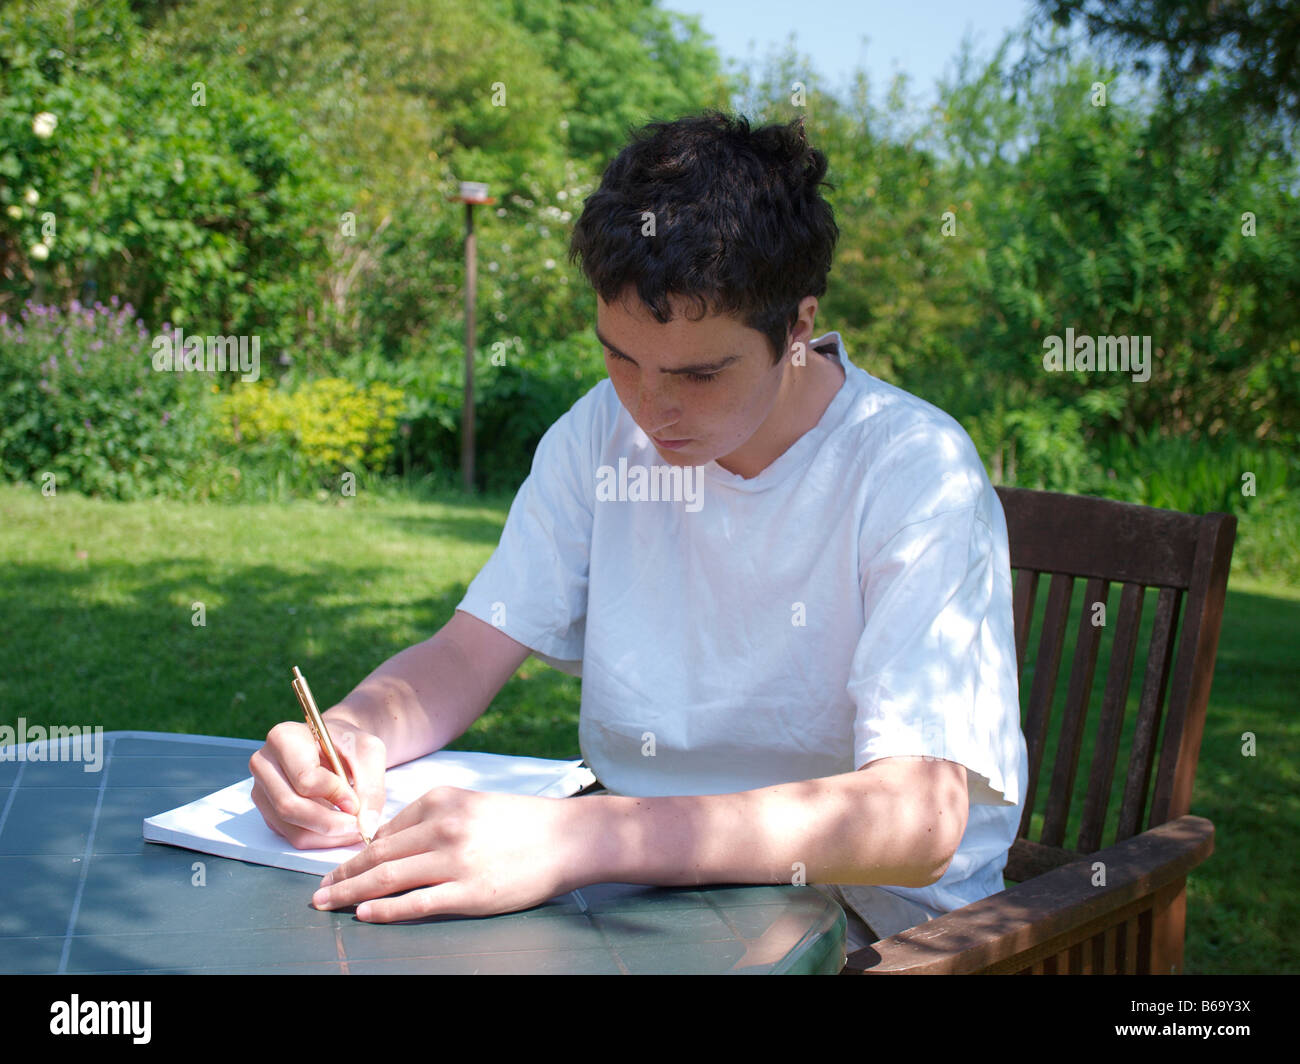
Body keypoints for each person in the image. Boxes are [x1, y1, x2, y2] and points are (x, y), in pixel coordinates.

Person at [249, 111, 1028, 952]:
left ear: (797, 330)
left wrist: (585, 838)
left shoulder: (913, 468)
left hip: (866, 923)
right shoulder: (597, 437)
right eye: (621, 358)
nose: (651, 409)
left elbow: (918, 818)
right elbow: (467, 654)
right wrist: (351, 734)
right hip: (637, 894)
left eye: (698, 373)